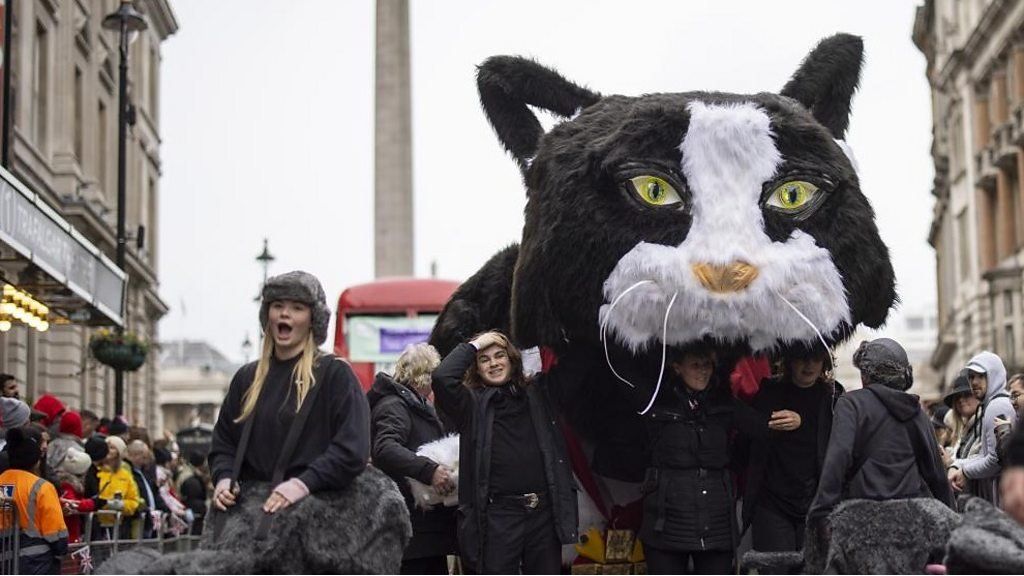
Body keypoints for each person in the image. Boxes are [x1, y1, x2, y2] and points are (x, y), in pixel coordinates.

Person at [618, 344, 801, 575]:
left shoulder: (723, 402)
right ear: (677, 367)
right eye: (695, 365)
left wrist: (793, 421)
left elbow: (762, 427)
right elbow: (621, 373)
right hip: (666, 521)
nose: (703, 371)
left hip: (716, 521)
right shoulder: (655, 402)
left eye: (707, 365)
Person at [209, 271, 370, 519]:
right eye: (277, 306)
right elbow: (224, 443)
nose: (285, 313)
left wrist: (303, 484)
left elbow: (352, 448)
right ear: (268, 316)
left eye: (297, 307)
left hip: (317, 518)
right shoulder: (246, 378)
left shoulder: (335, 375)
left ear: (312, 319)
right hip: (252, 520)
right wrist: (224, 477)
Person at [432, 331, 580, 574]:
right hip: (498, 516)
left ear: (512, 359)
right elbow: (441, 377)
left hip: (543, 513)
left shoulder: (540, 392)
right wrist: (477, 343)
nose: (494, 364)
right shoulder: (470, 404)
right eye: (485, 359)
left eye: (500, 355)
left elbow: (575, 365)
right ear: (476, 368)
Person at [808, 338, 953, 528]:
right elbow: (937, 476)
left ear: (866, 375)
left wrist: (820, 513)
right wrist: (952, 519)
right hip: (910, 527)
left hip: (861, 524)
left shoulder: (851, 404)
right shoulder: (916, 412)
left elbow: (837, 460)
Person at [743, 345, 844, 558]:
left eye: (815, 358)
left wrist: (803, 422)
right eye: (802, 357)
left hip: (818, 503)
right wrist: (769, 424)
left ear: (824, 361)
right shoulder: (771, 391)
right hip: (772, 502)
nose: (809, 365)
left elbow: (840, 444)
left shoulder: (833, 396)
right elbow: (749, 436)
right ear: (790, 360)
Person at [369, 343, 457, 574]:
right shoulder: (395, 406)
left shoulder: (413, 404)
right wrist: (430, 470)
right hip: (411, 529)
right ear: (424, 376)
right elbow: (385, 447)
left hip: (423, 531)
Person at [948, 351, 1017, 505]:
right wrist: (958, 465)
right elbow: (984, 455)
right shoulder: (992, 405)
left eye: (980, 376)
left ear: (993, 375)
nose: (974, 382)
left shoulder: (997, 406)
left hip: (1003, 501)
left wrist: (964, 471)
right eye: (971, 377)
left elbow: (995, 461)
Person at [0, 426, 68, 574]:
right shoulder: (42, 486)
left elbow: (5, 515)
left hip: (5, 560)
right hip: (38, 562)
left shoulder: (2, 482)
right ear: (35, 460)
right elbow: (55, 533)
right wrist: (61, 549)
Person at [95, 435, 141, 536]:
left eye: (112, 448)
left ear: (118, 453)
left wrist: (120, 505)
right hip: (95, 524)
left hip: (118, 525)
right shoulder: (95, 471)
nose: (107, 450)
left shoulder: (125, 474)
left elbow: (134, 501)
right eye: (106, 447)